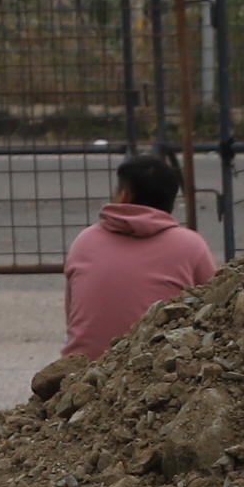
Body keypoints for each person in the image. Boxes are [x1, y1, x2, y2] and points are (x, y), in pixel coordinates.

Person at [61, 149, 216, 360]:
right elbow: (215, 313)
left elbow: (72, 317)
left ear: (123, 196)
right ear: (170, 203)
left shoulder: (85, 241)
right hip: (157, 375)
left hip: (81, 374)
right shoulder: (191, 246)